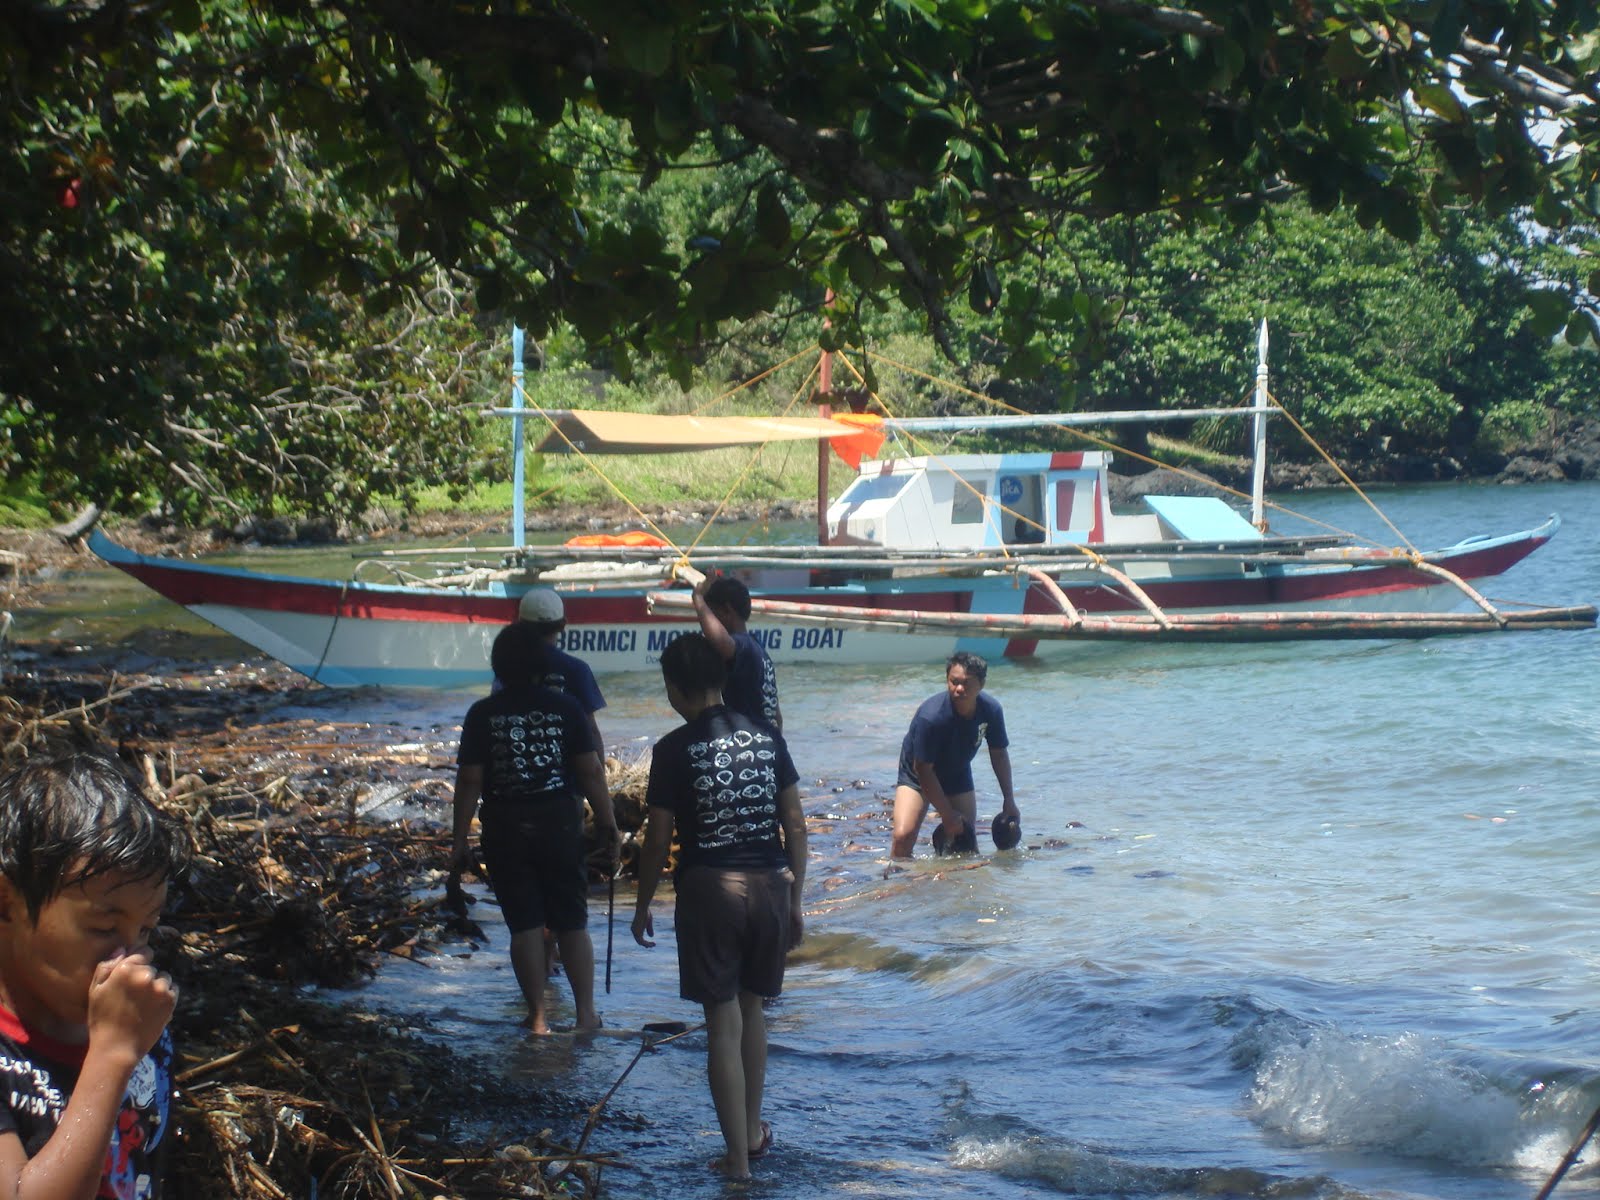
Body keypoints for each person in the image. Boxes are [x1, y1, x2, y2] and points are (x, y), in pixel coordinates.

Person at [631, 633, 806, 1181]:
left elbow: (658, 841)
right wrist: (797, 897)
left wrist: (642, 906)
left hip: (712, 890)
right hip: (771, 884)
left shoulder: (672, 749)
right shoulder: (766, 736)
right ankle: (752, 1136)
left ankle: (736, 1162)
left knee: (721, 1022)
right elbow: (795, 824)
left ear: (677, 688)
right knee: (753, 1010)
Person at [0, 748, 190, 1199]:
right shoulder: (121, 1040)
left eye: (145, 929)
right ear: (6, 903)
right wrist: (111, 1056)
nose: (132, 957)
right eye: (104, 927)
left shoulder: (135, 1026)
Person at [452, 622, 620, 1034]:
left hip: (505, 826)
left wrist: (459, 840)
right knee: (571, 921)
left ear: (499, 668)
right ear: (542, 666)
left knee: (525, 924)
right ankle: (585, 1016)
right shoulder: (566, 709)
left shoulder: (482, 714)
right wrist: (608, 822)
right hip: (559, 823)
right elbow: (591, 771)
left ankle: (539, 1018)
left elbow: (470, 781)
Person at [890, 651, 1020, 859]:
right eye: (954, 682)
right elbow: (923, 770)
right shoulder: (931, 717)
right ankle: (898, 882)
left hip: (957, 772)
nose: (959, 689)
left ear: (982, 684)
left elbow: (999, 754)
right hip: (918, 773)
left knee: (966, 845)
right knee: (903, 835)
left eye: (966, 683)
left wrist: (1009, 799)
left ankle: (954, 887)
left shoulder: (991, 710)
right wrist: (947, 815)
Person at [513, 587, 606, 754]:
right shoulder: (577, 669)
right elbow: (590, 730)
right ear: (563, 625)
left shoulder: (507, 667)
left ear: (519, 623)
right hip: (565, 772)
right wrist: (600, 778)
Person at [690, 574, 783, 731]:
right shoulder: (758, 649)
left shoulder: (744, 646)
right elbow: (777, 717)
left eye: (711, 614)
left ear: (727, 610)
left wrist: (698, 598)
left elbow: (721, 641)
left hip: (754, 741)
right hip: (769, 741)